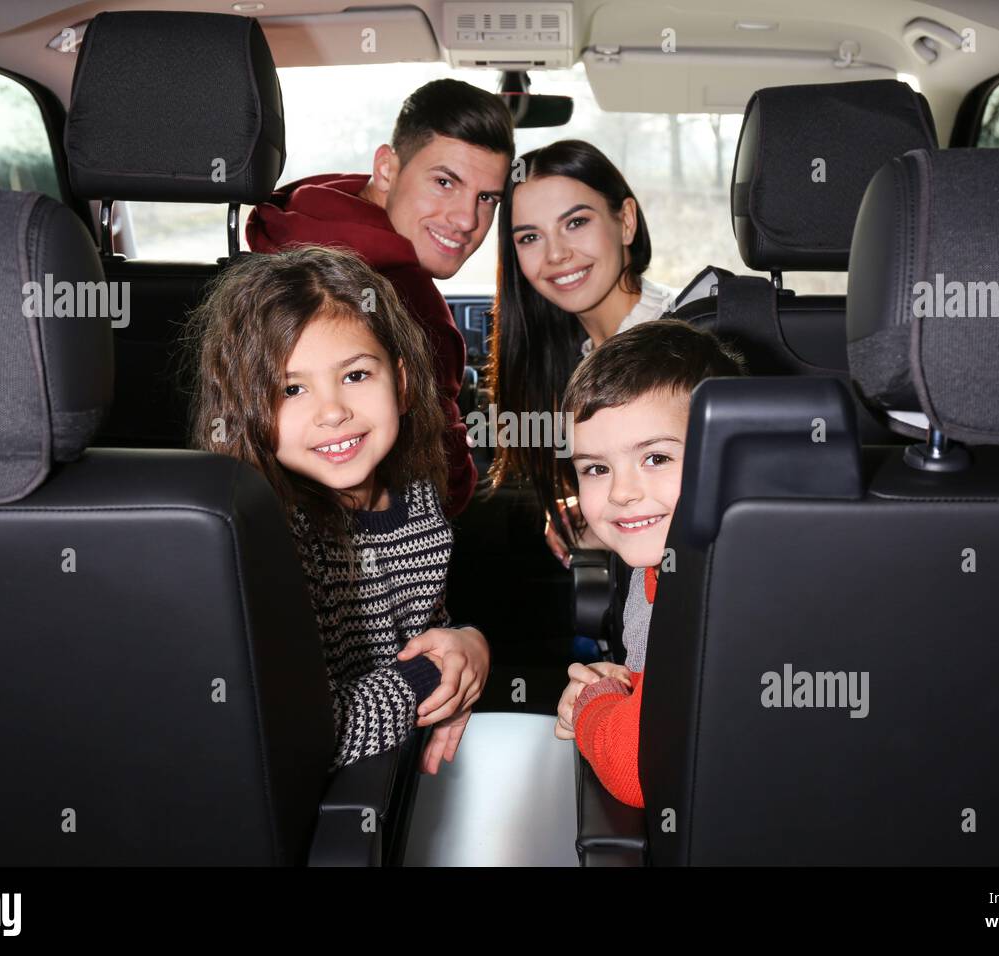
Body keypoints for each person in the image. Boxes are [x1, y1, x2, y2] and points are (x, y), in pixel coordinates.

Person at [187, 245, 490, 774]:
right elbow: (309, 734)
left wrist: (466, 644)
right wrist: (436, 676)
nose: (332, 411)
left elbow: (420, 631)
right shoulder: (275, 542)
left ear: (400, 382)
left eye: (355, 375)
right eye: (291, 389)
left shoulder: (417, 499)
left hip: (393, 771)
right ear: (246, 411)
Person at [245, 78, 516, 520]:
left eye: (486, 198)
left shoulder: (294, 222)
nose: (468, 219)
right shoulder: (404, 298)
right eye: (445, 182)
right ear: (387, 169)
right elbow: (443, 485)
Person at [553, 320, 747, 807]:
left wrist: (592, 707)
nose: (622, 492)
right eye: (596, 469)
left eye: (656, 458)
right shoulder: (662, 568)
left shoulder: (721, 591)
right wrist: (621, 685)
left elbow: (642, 768)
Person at [486, 140, 677, 565]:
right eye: (531, 237)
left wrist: (602, 528)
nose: (556, 254)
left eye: (575, 223)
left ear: (625, 221)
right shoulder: (580, 352)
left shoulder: (683, 343)